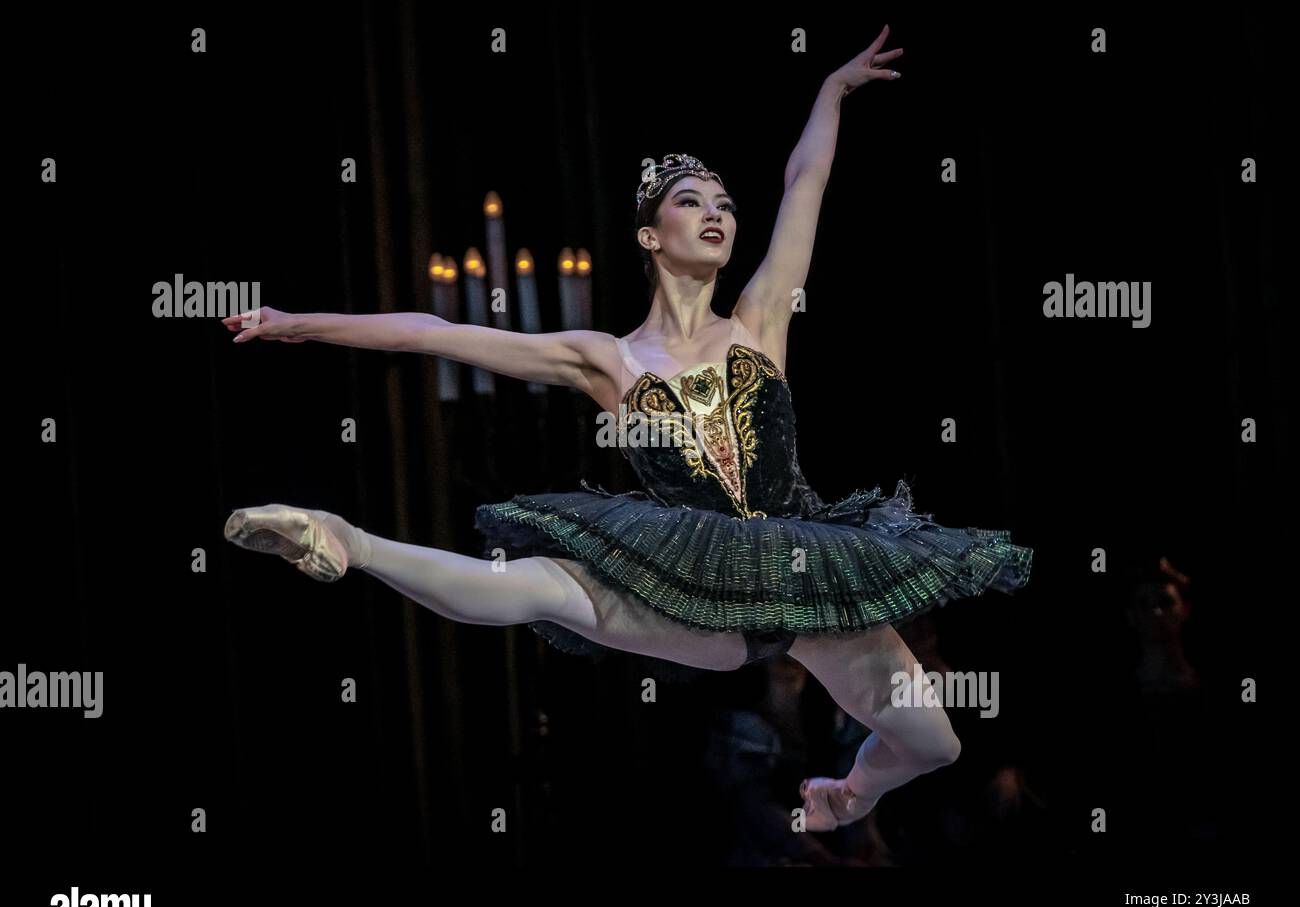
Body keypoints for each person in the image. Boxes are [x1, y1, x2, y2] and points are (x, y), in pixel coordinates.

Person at [220, 27, 1032, 833]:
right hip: (694, 587)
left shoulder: (760, 321)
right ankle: (348, 540)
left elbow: (806, 182)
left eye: (723, 204)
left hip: (807, 568)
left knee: (936, 741)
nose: (715, 214)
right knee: (534, 585)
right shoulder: (605, 360)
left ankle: (848, 795)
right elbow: (431, 332)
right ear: (651, 235)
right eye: (691, 202)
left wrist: (830, 90)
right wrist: (297, 323)